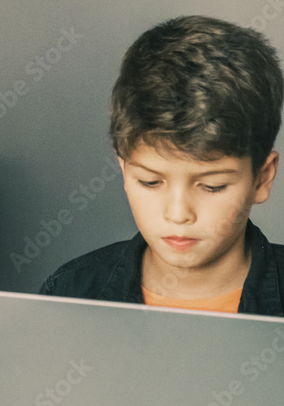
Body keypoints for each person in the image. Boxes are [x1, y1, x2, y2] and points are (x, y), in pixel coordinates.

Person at [41, 16, 284, 316]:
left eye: (212, 186)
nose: (178, 214)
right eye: (150, 182)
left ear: (262, 178)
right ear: (124, 168)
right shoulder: (70, 293)